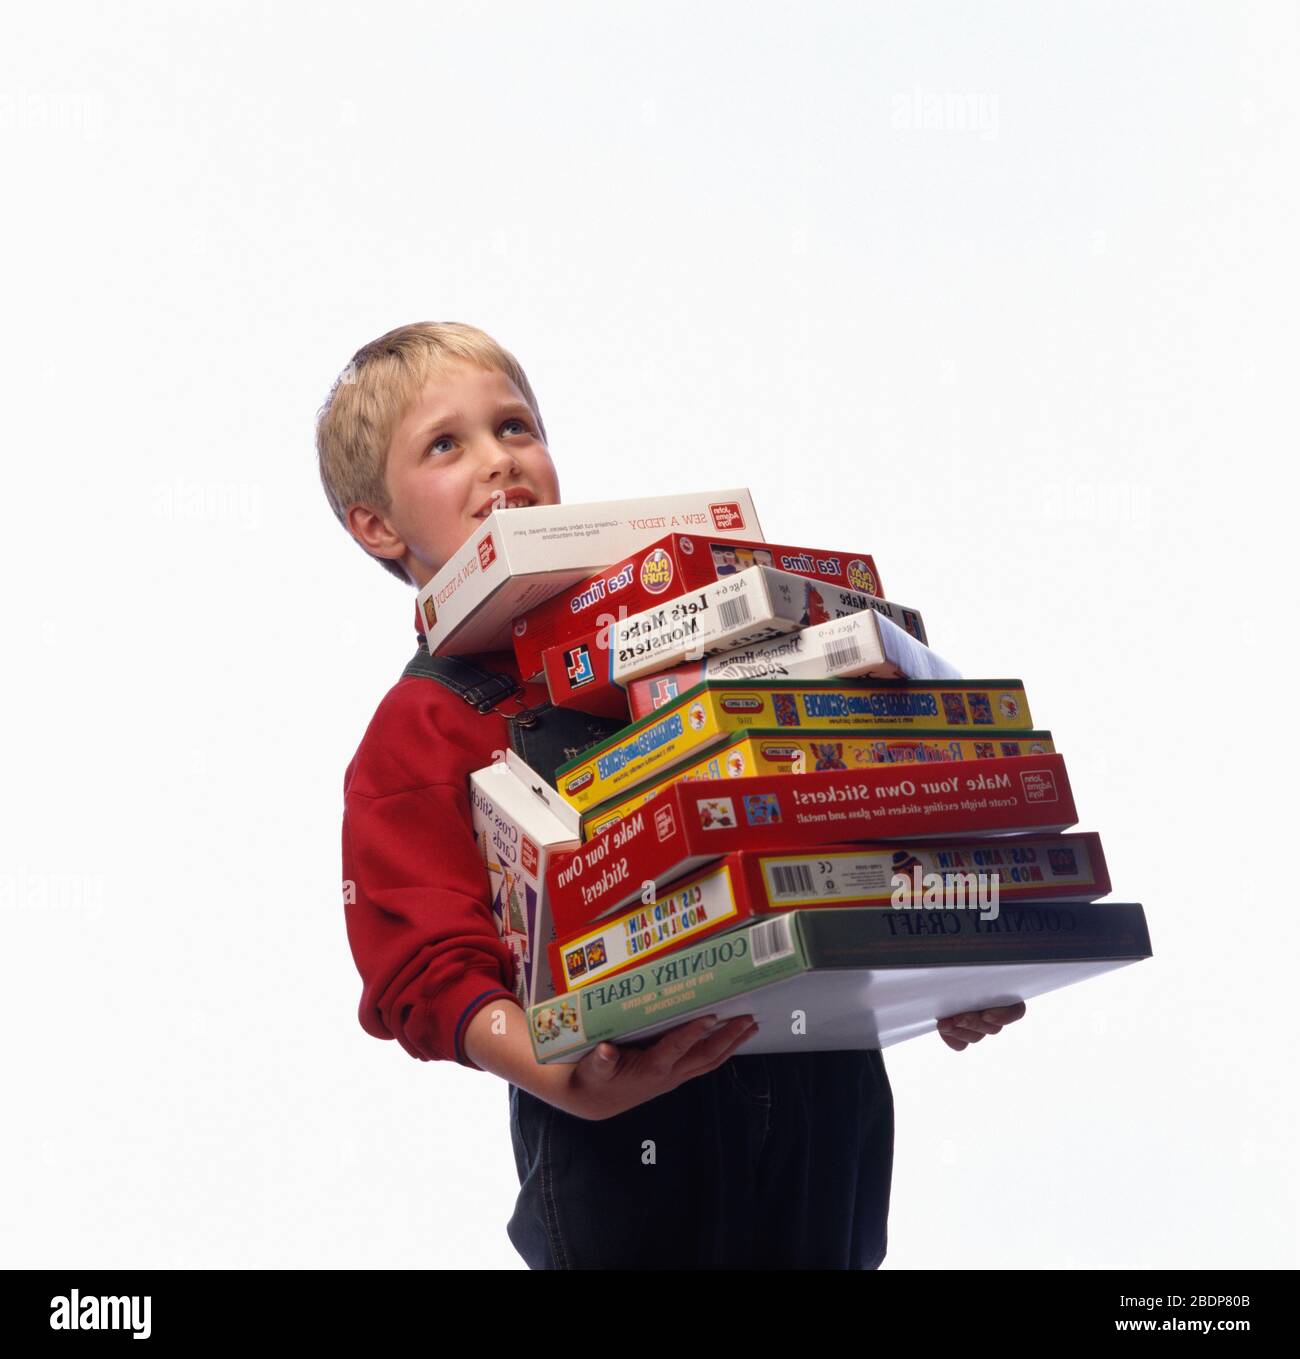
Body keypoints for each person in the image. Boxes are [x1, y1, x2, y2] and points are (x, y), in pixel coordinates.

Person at [315, 320, 1027, 1270]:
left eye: (517, 428)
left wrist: (940, 969)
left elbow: (828, 834)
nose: (500, 462)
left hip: (828, 1108)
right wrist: (553, 1071)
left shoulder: (696, 647)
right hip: (624, 1135)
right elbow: (420, 962)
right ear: (377, 523)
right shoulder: (425, 724)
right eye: (447, 444)